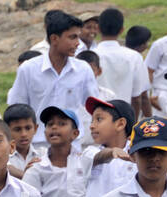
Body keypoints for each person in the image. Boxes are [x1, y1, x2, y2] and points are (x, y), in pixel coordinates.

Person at [7, 10, 100, 147]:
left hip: (72, 146)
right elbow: (16, 108)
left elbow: (94, 108)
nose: (78, 44)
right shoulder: (28, 69)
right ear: (54, 39)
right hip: (38, 146)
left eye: (78, 38)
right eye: (72, 37)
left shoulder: (83, 70)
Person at [92, 8, 151, 118]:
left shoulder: (89, 56)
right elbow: (138, 98)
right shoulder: (134, 57)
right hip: (124, 120)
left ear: (98, 28)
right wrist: (132, 125)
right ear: (122, 30)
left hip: (96, 119)